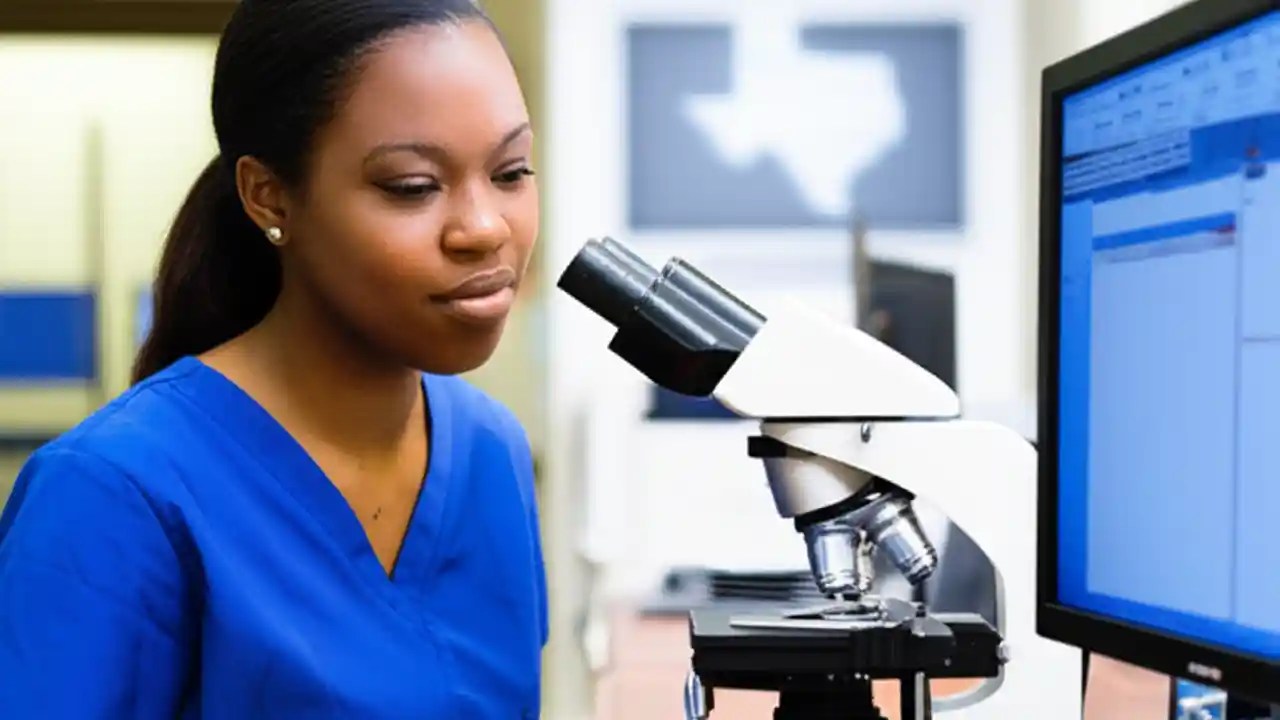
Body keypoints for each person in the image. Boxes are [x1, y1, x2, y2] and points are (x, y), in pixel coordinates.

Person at [0, 1, 547, 717]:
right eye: (413, 187)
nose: (483, 228)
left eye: (511, 172)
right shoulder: (112, 494)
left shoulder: (489, 452)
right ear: (268, 196)